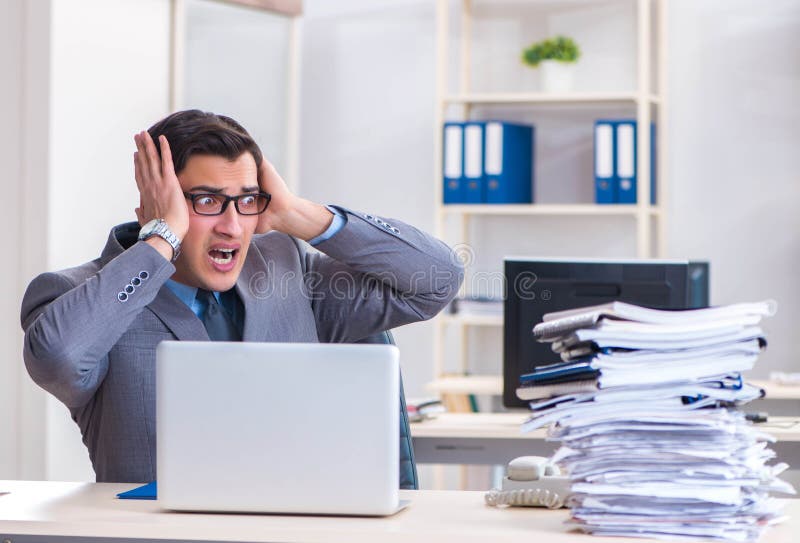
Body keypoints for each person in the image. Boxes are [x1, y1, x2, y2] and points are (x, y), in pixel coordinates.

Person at [20, 110, 463, 483]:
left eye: (247, 200)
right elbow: (58, 358)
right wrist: (158, 240)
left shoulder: (284, 270)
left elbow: (436, 280)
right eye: (207, 202)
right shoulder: (80, 295)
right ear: (157, 201)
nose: (232, 226)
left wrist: (296, 214)